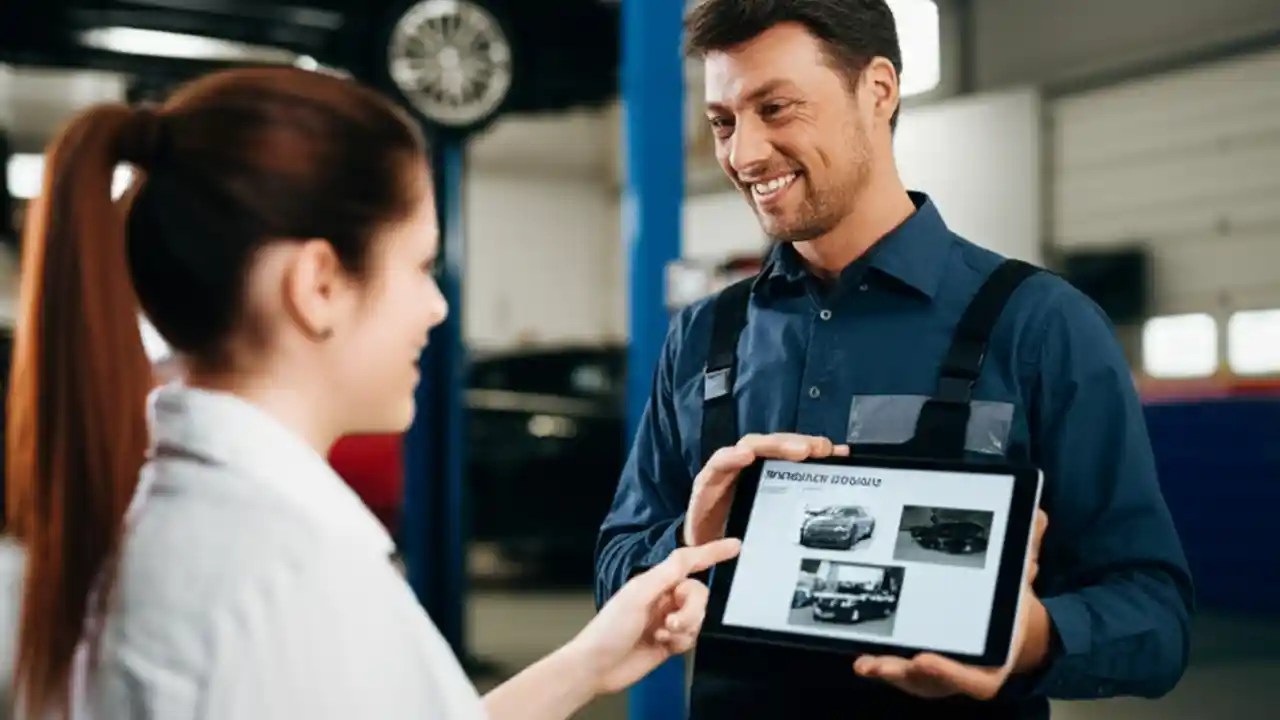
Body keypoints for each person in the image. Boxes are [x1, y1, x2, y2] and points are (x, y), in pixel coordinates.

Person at [3, 66, 742, 720]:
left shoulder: (167, 526)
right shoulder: (291, 578)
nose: (437, 308)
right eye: (419, 267)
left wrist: (589, 663)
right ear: (319, 285)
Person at [594, 1, 1193, 718]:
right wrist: (694, 542)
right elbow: (615, 570)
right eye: (723, 122)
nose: (744, 154)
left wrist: (1029, 637)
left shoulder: (1041, 327)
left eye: (776, 108)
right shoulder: (703, 337)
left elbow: (1154, 616)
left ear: (877, 90)